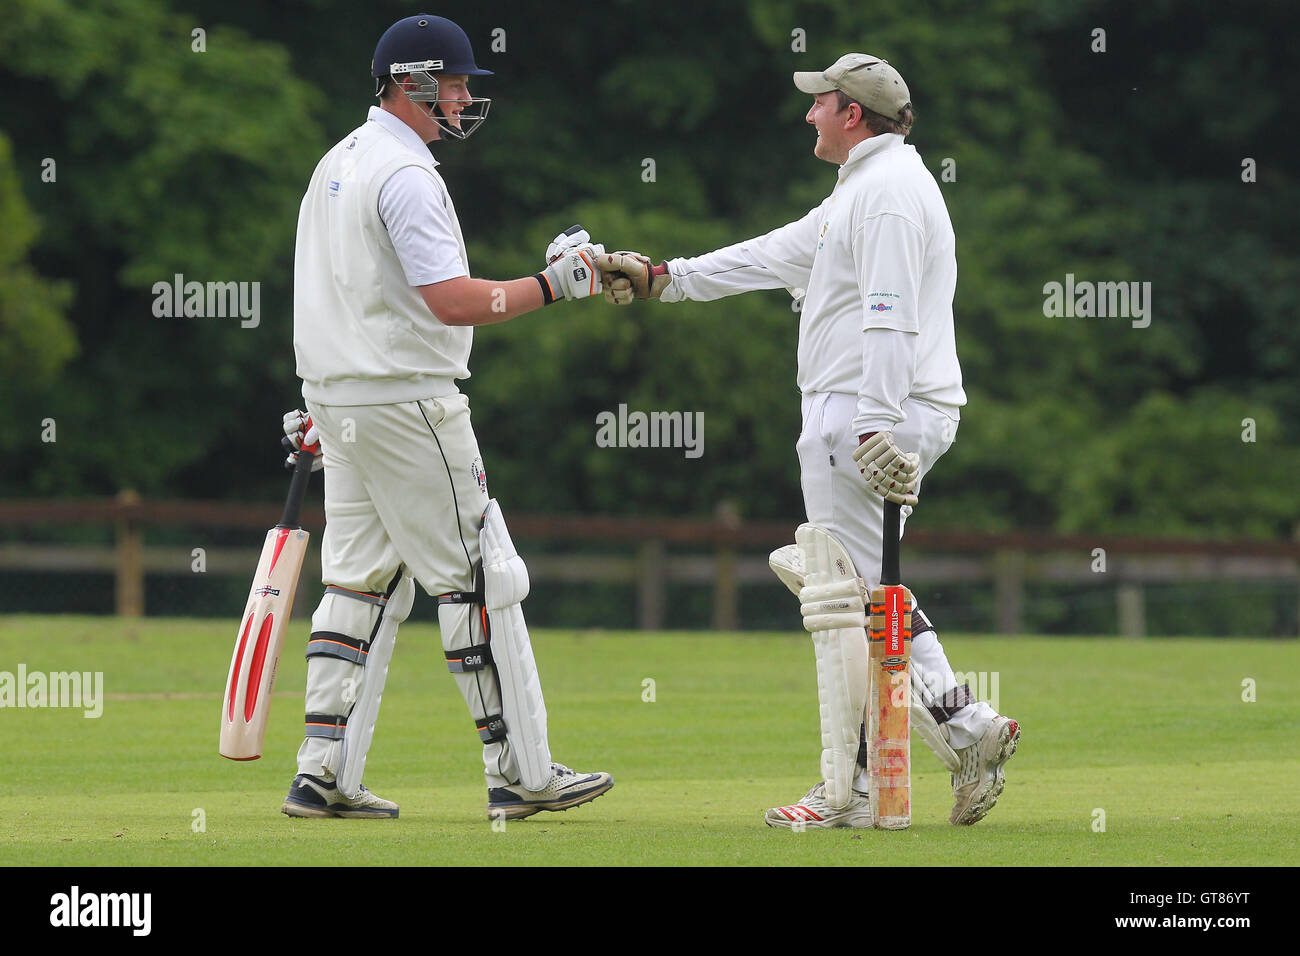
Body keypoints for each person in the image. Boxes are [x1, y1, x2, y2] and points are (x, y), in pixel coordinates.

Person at [597, 53, 1018, 828]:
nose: (807, 114)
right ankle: (962, 728)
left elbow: (890, 314)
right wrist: (665, 275)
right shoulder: (862, 190)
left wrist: (875, 424)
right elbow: (769, 255)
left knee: (840, 598)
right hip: (872, 410)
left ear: (851, 113)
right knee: (863, 596)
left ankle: (851, 793)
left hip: (867, 412)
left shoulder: (886, 196)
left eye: (818, 103)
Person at [278, 13, 612, 821]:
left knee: (357, 585)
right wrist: (552, 284)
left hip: (340, 400)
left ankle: (322, 773)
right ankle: (522, 772)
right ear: (412, 82)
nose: (464, 97)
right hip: (406, 401)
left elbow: (335, 299)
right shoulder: (406, 174)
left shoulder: (337, 162)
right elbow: (450, 302)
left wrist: (328, 398)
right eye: (456, 83)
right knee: (479, 576)